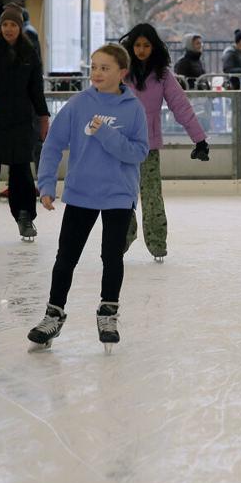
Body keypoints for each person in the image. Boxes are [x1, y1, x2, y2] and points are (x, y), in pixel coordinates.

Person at [28, 44, 150, 350]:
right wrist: (46, 184)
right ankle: (53, 314)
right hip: (81, 193)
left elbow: (139, 152)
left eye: (105, 68)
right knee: (66, 257)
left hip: (118, 194)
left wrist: (105, 133)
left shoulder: (133, 109)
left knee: (112, 257)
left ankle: (108, 313)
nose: (97, 73)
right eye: (94, 67)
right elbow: (52, 145)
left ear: (122, 73)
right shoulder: (78, 104)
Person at [119, 23, 210, 261]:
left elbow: (181, 106)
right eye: (137, 45)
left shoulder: (162, 75)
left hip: (147, 146)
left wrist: (199, 139)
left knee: (151, 196)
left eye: (146, 45)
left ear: (154, 47)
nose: (141, 50)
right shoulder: (121, 72)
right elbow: (100, 101)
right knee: (120, 195)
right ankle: (121, 237)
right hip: (118, 146)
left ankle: (157, 242)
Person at [0, 5, 48, 241]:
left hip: (20, 121)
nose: (8, 29)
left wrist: (44, 117)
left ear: (20, 27)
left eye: (13, 25)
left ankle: (25, 217)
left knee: (21, 171)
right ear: (0, 27)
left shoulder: (29, 53)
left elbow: (36, 90)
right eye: (5, 24)